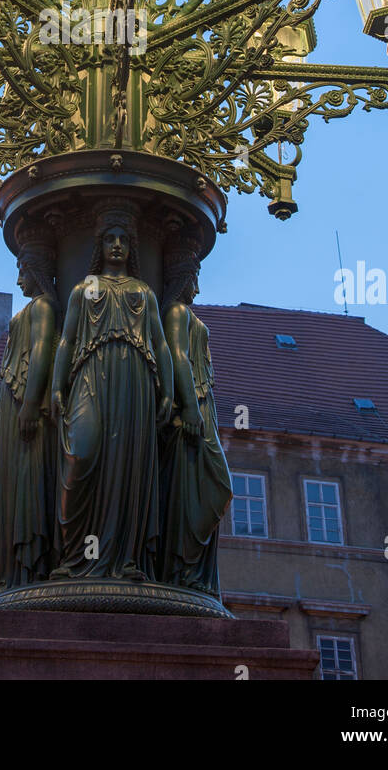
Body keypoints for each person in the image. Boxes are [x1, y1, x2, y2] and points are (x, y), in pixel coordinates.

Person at [50, 207, 173, 581]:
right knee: (82, 455)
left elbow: (162, 345)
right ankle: (76, 558)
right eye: (109, 239)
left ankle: (125, 558)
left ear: (131, 246)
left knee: (128, 465)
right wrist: (56, 385)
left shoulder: (143, 292)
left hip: (134, 381)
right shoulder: (83, 290)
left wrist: (168, 391)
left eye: (123, 239)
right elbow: (67, 340)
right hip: (90, 376)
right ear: (99, 245)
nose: (116, 245)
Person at [0, 244, 58, 593]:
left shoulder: (43, 307)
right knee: (2, 492)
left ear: (38, 271)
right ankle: (10, 574)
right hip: (11, 400)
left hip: (25, 403)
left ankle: (27, 570)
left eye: (24, 270)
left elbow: (43, 350)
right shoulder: (31, 309)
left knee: (26, 483)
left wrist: (31, 403)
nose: (19, 278)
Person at [157, 254, 232, 596]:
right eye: (191, 274)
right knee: (210, 485)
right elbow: (178, 356)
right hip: (191, 412)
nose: (195, 282)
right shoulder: (175, 312)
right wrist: (188, 407)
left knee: (209, 486)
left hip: (203, 406)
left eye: (196, 274)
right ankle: (182, 568)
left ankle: (192, 573)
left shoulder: (186, 314)